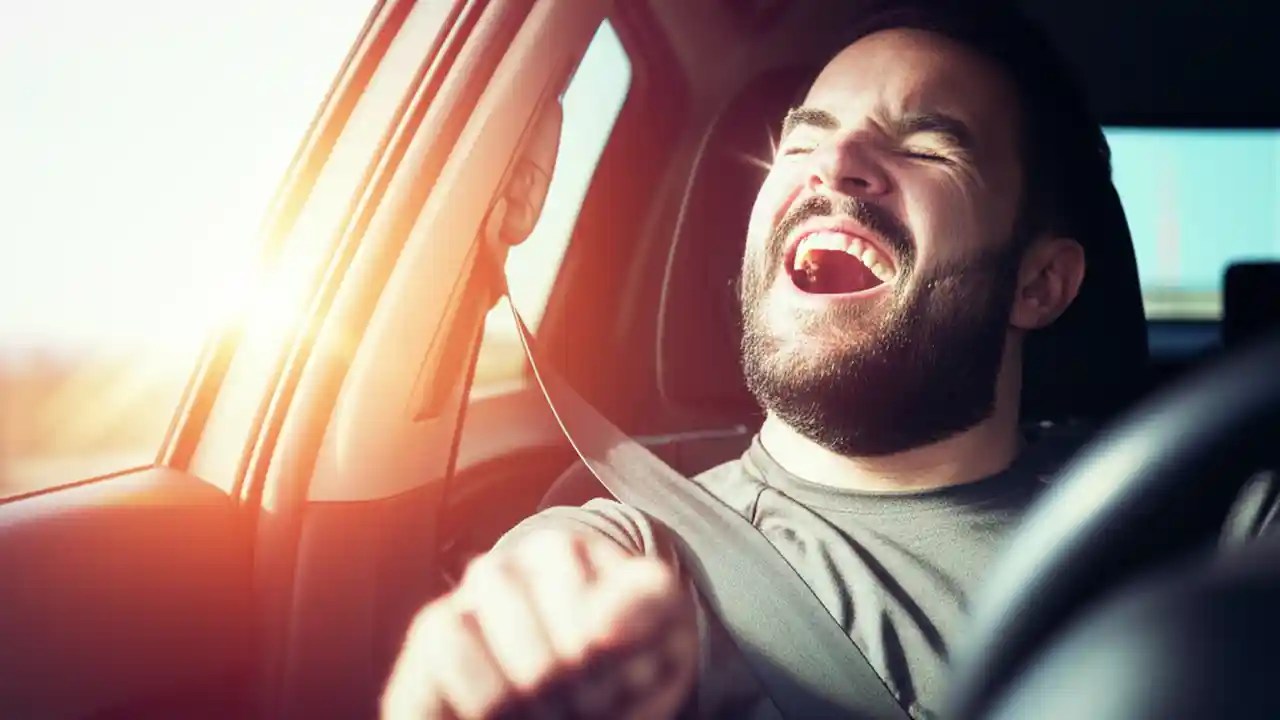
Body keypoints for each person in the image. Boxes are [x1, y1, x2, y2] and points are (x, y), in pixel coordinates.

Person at [382, 1, 1118, 718]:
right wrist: (491, 671)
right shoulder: (637, 557)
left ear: (1039, 283)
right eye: (800, 143)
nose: (833, 163)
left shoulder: (1175, 517)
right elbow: (531, 622)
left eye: (924, 148)